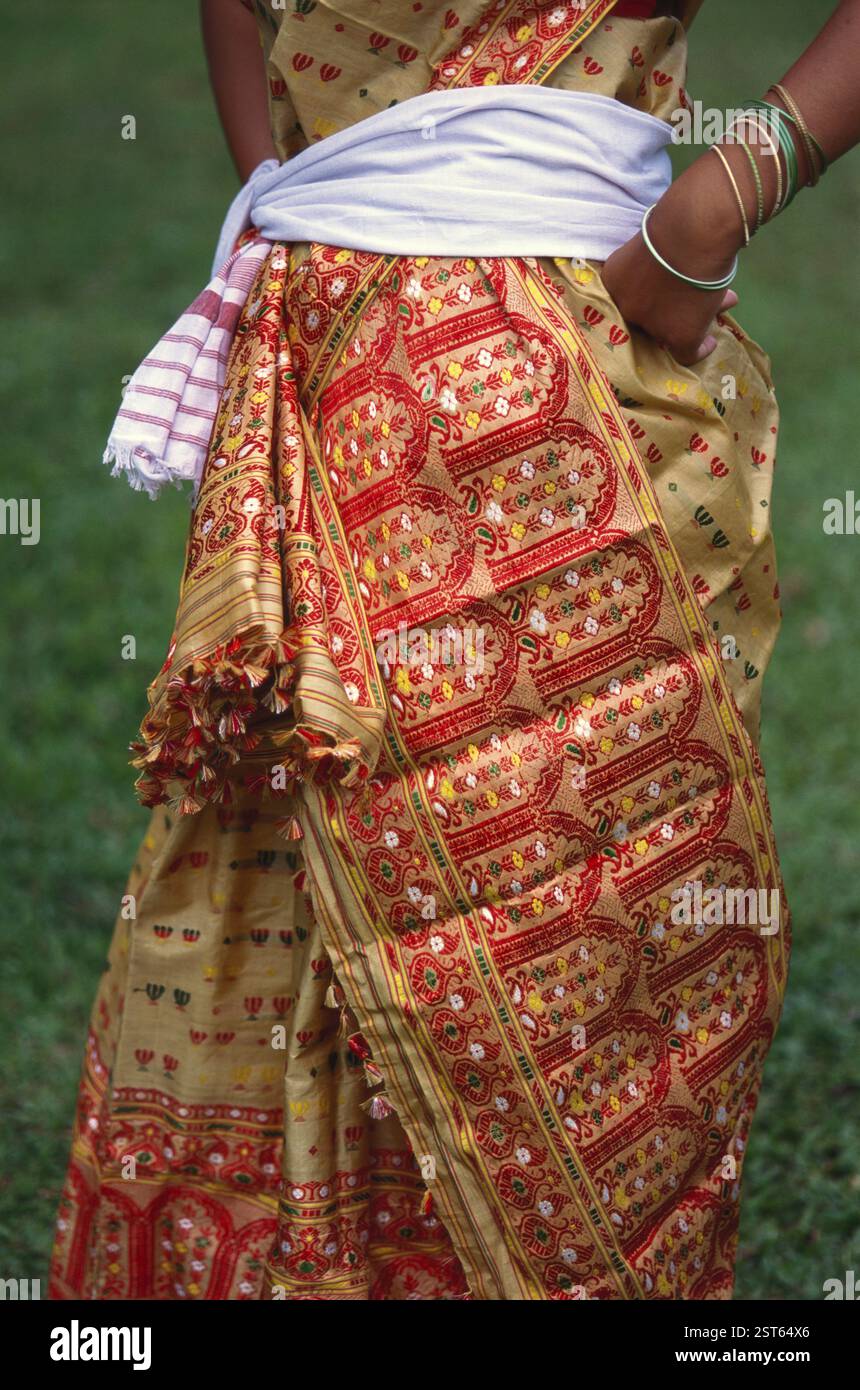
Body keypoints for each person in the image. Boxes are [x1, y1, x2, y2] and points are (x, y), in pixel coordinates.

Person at [49, 0, 859, 1301]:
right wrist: (294, 191)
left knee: (594, 896)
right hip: (330, 354)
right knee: (303, 877)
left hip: (582, 369)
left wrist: (722, 198)